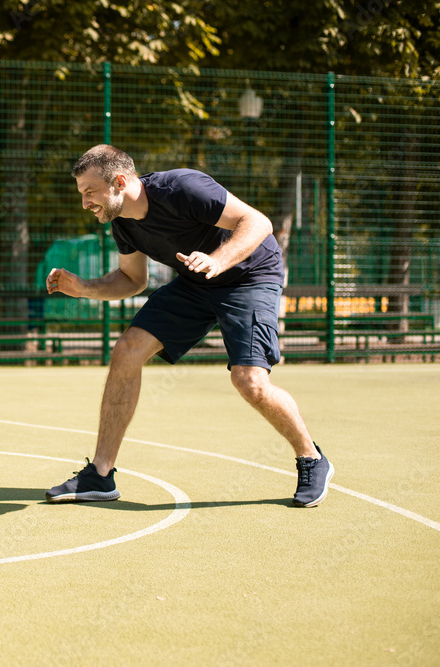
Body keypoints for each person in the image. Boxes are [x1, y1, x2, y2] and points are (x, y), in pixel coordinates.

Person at [44, 144, 334, 508]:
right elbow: (132, 280)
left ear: (119, 182)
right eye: (82, 194)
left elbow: (258, 223)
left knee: (250, 381)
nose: (85, 203)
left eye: (90, 192)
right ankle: (100, 475)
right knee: (127, 349)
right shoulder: (122, 221)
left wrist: (218, 259)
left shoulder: (183, 188)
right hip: (197, 281)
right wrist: (83, 289)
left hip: (250, 276)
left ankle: (311, 458)